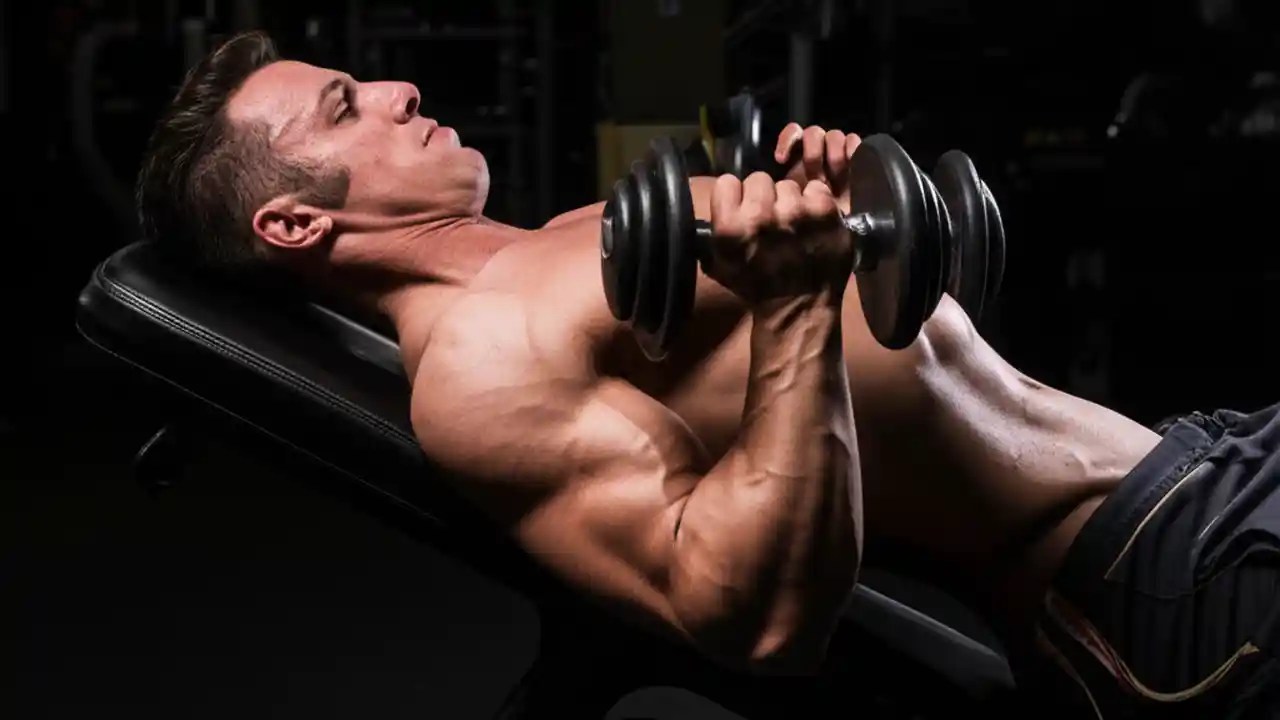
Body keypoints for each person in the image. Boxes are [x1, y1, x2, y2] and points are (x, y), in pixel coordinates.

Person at [134, 31, 1279, 718]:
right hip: (1161, 584)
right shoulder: (479, 369)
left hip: (1202, 467)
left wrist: (859, 243)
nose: (395, 95)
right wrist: (788, 311)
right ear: (291, 223)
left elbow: (916, 403)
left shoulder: (560, 242)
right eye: (345, 108)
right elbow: (755, 622)